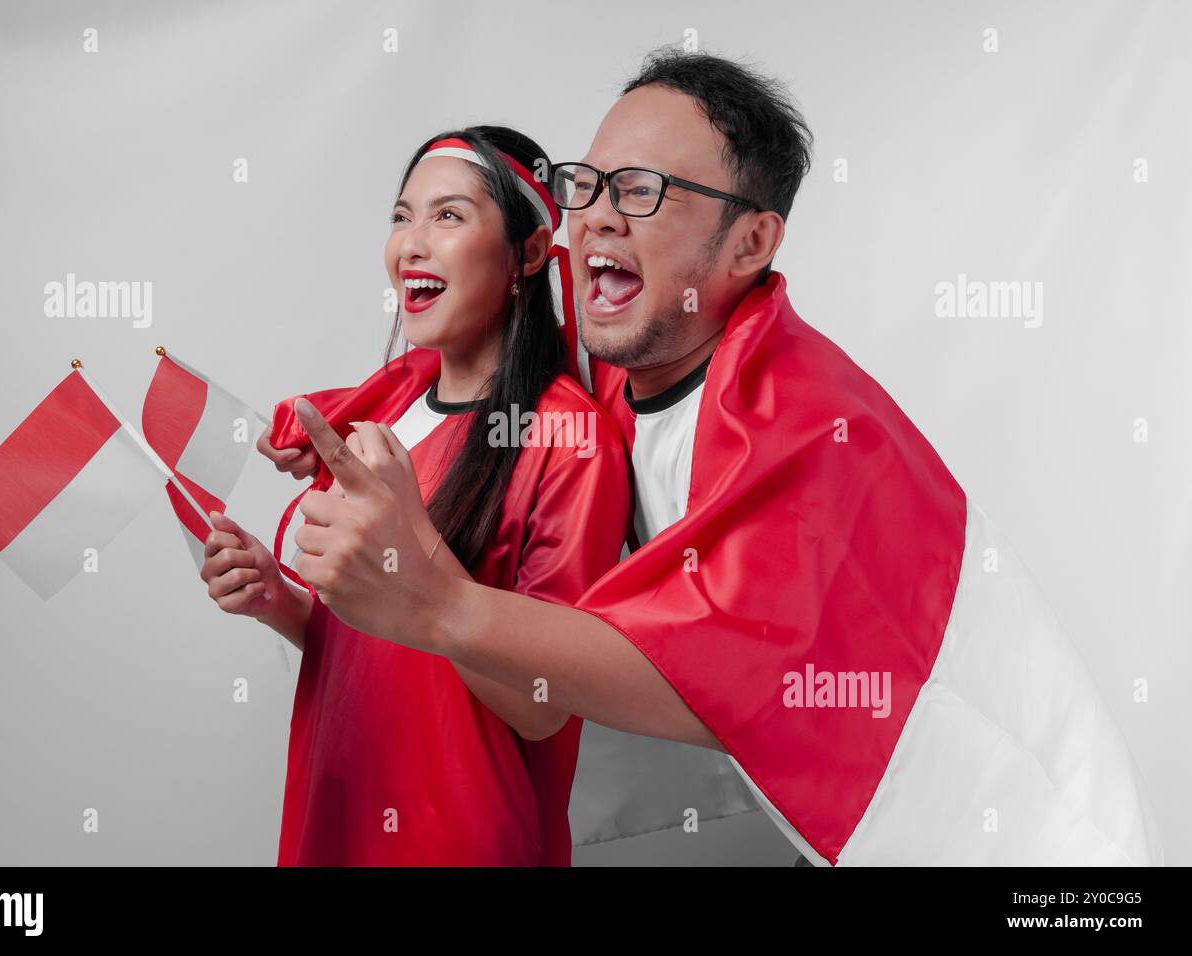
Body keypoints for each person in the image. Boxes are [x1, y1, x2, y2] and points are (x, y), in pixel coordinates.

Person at [263, 49, 1162, 866]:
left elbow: (701, 681)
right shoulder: (641, 342)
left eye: (646, 191)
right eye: (591, 185)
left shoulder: (803, 427)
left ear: (753, 244)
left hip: (1038, 849)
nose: (603, 220)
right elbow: (475, 347)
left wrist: (437, 600)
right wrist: (316, 424)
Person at [202, 126, 630, 866]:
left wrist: (414, 545)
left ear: (528, 253)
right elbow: (383, 642)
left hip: (461, 835)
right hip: (337, 802)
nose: (412, 244)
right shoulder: (385, 414)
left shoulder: (568, 438)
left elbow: (542, 703)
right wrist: (280, 599)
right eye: (402, 216)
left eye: (449, 216)